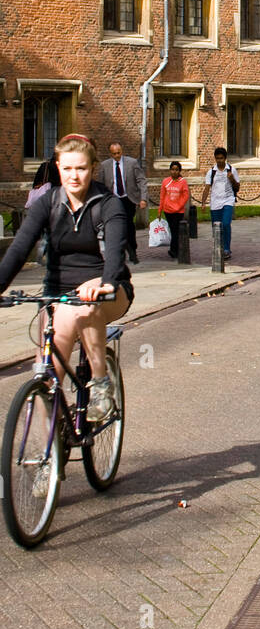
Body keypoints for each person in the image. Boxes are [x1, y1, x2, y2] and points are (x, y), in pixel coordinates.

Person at [0, 134, 132, 421]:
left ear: (93, 168)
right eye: (68, 168)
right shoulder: (47, 203)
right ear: (58, 167)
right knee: (47, 377)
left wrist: (106, 281)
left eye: (81, 168)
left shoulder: (108, 204)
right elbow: (21, 247)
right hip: (57, 293)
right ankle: (51, 458)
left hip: (109, 289)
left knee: (84, 309)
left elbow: (115, 250)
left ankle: (100, 384)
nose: (74, 176)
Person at [98, 142, 147, 264]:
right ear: (111, 154)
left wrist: (143, 198)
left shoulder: (132, 163)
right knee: (116, 227)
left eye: (118, 153)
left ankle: (132, 251)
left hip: (128, 199)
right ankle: (119, 252)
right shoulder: (105, 166)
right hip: (113, 200)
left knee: (128, 225)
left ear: (122, 151)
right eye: (114, 154)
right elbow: (101, 185)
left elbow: (141, 180)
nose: (117, 156)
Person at [200, 148, 240, 259]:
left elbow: (237, 187)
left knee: (226, 224)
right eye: (217, 158)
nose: (219, 160)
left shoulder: (231, 170)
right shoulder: (212, 172)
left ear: (225, 158)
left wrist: (232, 179)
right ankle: (218, 247)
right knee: (216, 227)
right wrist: (203, 203)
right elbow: (207, 188)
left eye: (221, 158)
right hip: (215, 202)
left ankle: (227, 249)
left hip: (228, 200)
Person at [158, 160, 191, 259]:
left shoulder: (183, 182)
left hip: (178, 211)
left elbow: (186, 195)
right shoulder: (165, 181)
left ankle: (174, 250)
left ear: (179, 171)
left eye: (176, 170)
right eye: (172, 169)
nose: (174, 172)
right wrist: (160, 210)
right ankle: (174, 250)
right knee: (173, 230)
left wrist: (179, 206)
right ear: (170, 170)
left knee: (176, 230)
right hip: (168, 211)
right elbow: (162, 196)